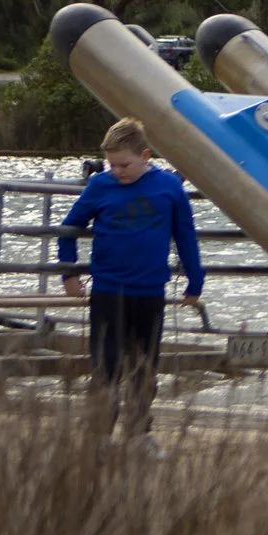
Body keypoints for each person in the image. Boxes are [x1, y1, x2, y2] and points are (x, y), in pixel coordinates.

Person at [58, 118, 203, 436]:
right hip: (108, 291)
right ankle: (98, 434)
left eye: (124, 164)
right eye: (112, 165)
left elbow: (185, 235)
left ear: (145, 156)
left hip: (150, 292)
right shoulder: (100, 185)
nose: (118, 171)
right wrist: (69, 273)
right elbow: (68, 229)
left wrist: (195, 280)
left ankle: (138, 432)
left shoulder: (169, 186)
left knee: (145, 367)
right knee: (105, 367)